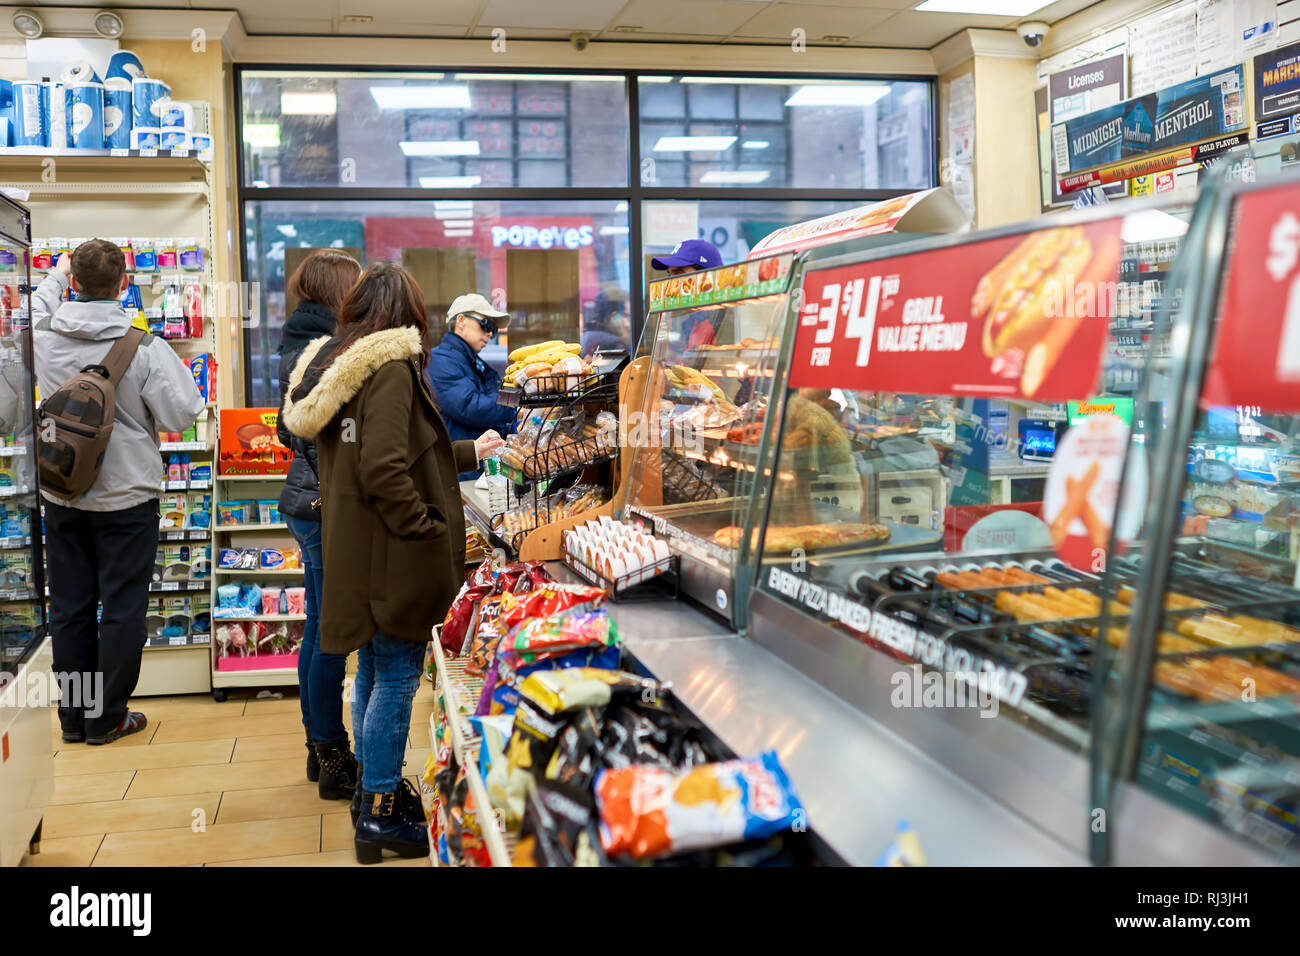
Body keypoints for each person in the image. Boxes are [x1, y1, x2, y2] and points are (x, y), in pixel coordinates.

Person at [283, 262, 504, 864]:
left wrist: (464, 453)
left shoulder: (342, 369)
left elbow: (402, 450)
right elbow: (384, 466)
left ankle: (367, 794)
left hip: (360, 548)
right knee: (399, 674)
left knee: (376, 670)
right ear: (411, 314)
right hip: (392, 552)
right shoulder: (392, 368)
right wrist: (424, 528)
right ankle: (380, 809)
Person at [33, 240, 204, 745]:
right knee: (124, 608)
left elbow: (34, 315)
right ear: (125, 285)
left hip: (62, 493)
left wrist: (56, 277)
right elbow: (183, 413)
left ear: (74, 285)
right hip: (127, 498)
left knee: (71, 607)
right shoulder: (144, 347)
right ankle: (106, 718)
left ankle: (73, 716)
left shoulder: (41, 339)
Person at [275, 250, 362, 799]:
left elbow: (291, 432)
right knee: (332, 637)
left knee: (318, 631)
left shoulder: (295, 342)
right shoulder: (323, 351)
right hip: (323, 505)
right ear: (339, 293)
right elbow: (319, 435)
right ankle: (332, 754)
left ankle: (318, 747)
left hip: (304, 503)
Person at [428, 293, 515, 479]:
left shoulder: (474, 363)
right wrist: (515, 404)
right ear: (461, 320)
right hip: (461, 473)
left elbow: (494, 399)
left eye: (493, 329)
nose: (490, 333)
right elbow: (470, 406)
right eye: (486, 325)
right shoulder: (440, 360)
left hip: (478, 470)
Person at [650, 238, 724, 348]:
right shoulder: (684, 317)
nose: (672, 283)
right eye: (670, 275)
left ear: (706, 276)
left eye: (678, 274)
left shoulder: (726, 319)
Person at [580, 289, 631, 358]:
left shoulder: (586, 336)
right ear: (613, 316)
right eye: (625, 316)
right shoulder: (616, 343)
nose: (628, 324)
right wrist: (625, 338)